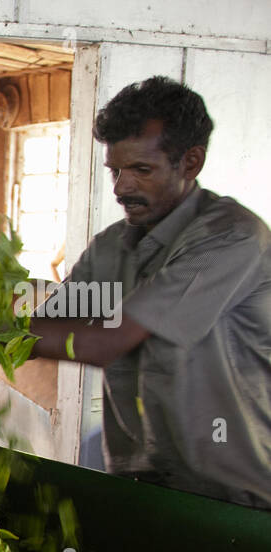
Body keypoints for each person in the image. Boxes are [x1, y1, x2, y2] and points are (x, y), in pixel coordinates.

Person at [17, 76, 271, 508]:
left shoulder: (232, 238)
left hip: (237, 501)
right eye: (115, 170)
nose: (120, 188)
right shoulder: (112, 247)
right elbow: (54, 323)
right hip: (142, 490)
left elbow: (106, 342)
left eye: (141, 170)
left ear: (190, 163)